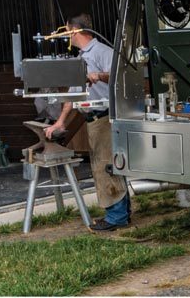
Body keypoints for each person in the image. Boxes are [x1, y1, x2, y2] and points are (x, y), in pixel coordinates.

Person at [44, 13, 131, 231]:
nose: (66, 38)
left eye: (67, 32)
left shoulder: (102, 52)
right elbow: (73, 96)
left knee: (106, 167)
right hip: (92, 119)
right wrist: (60, 123)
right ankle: (120, 213)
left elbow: (120, 76)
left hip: (106, 117)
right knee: (101, 166)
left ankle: (117, 217)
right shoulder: (81, 57)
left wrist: (99, 76)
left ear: (75, 30)